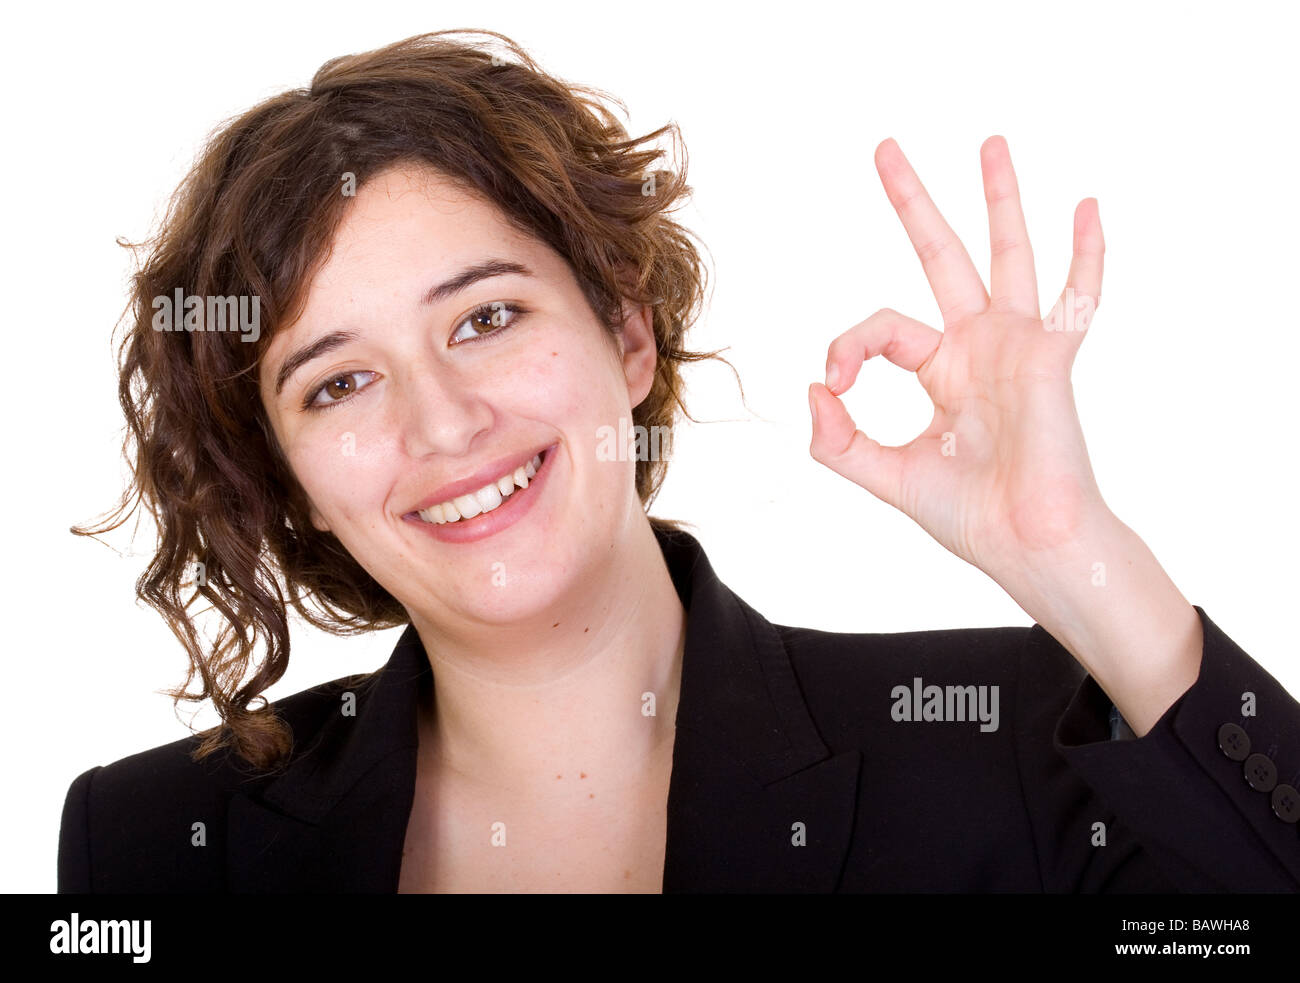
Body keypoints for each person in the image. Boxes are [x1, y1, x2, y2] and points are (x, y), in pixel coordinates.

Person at [59, 28, 1299, 893]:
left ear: (627, 331)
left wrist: (1083, 565)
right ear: (290, 485)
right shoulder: (159, 843)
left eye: (485, 317)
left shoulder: (1015, 743)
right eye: (338, 381)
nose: (441, 424)